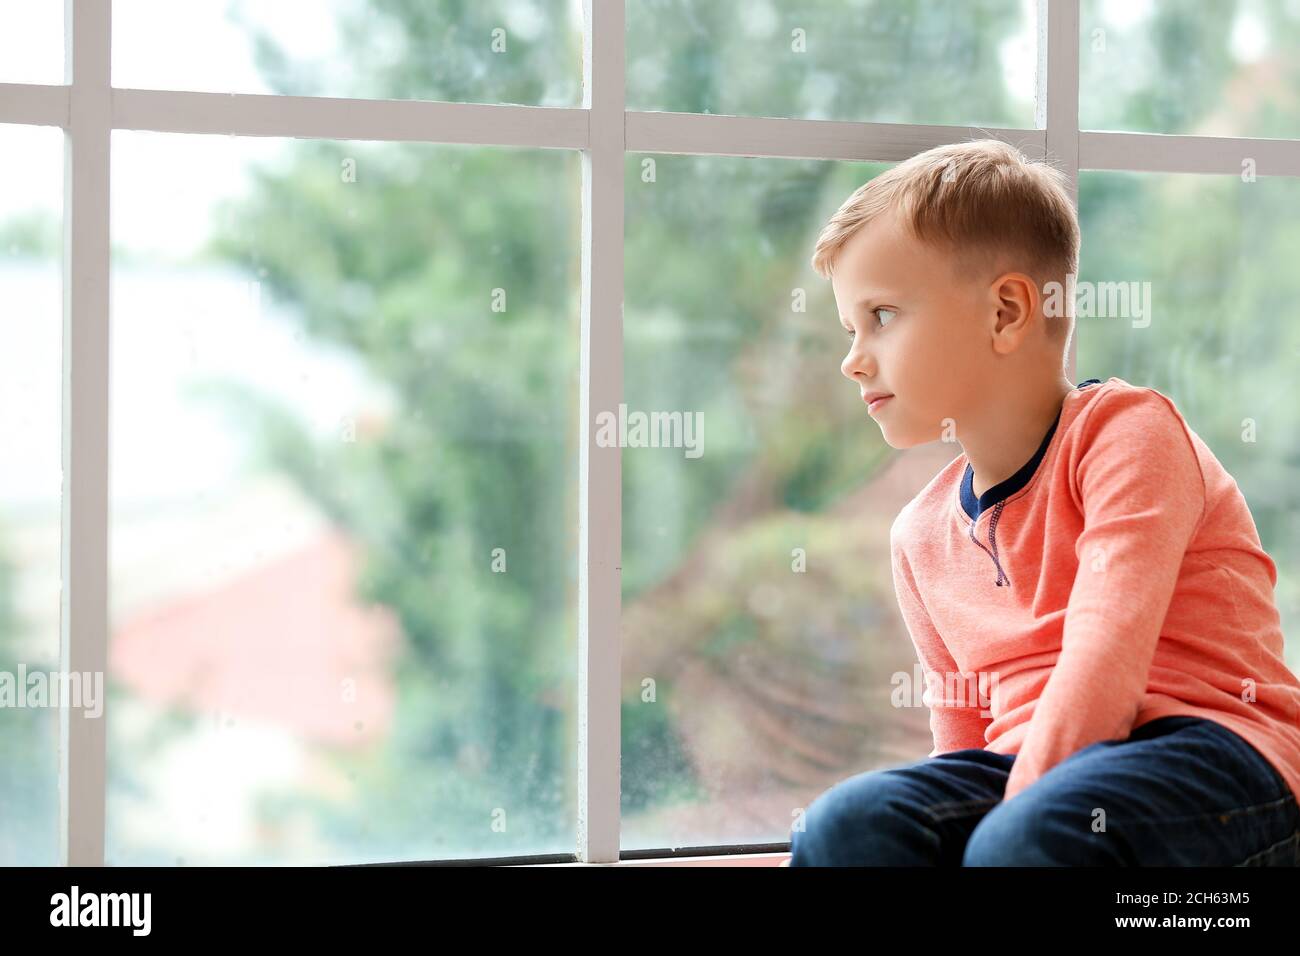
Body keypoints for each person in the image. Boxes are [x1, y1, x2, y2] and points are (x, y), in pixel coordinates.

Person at [789, 139, 1300, 866]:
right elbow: (962, 739)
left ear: (1005, 312)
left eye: (883, 316)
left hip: (1219, 757)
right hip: (1036, 771)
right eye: (850, 328)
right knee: (846, 825)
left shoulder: (1128, 434)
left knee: (1024, 838)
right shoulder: (920, 536)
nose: (853, 357)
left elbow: (1104, 671)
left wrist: (1003, 824)